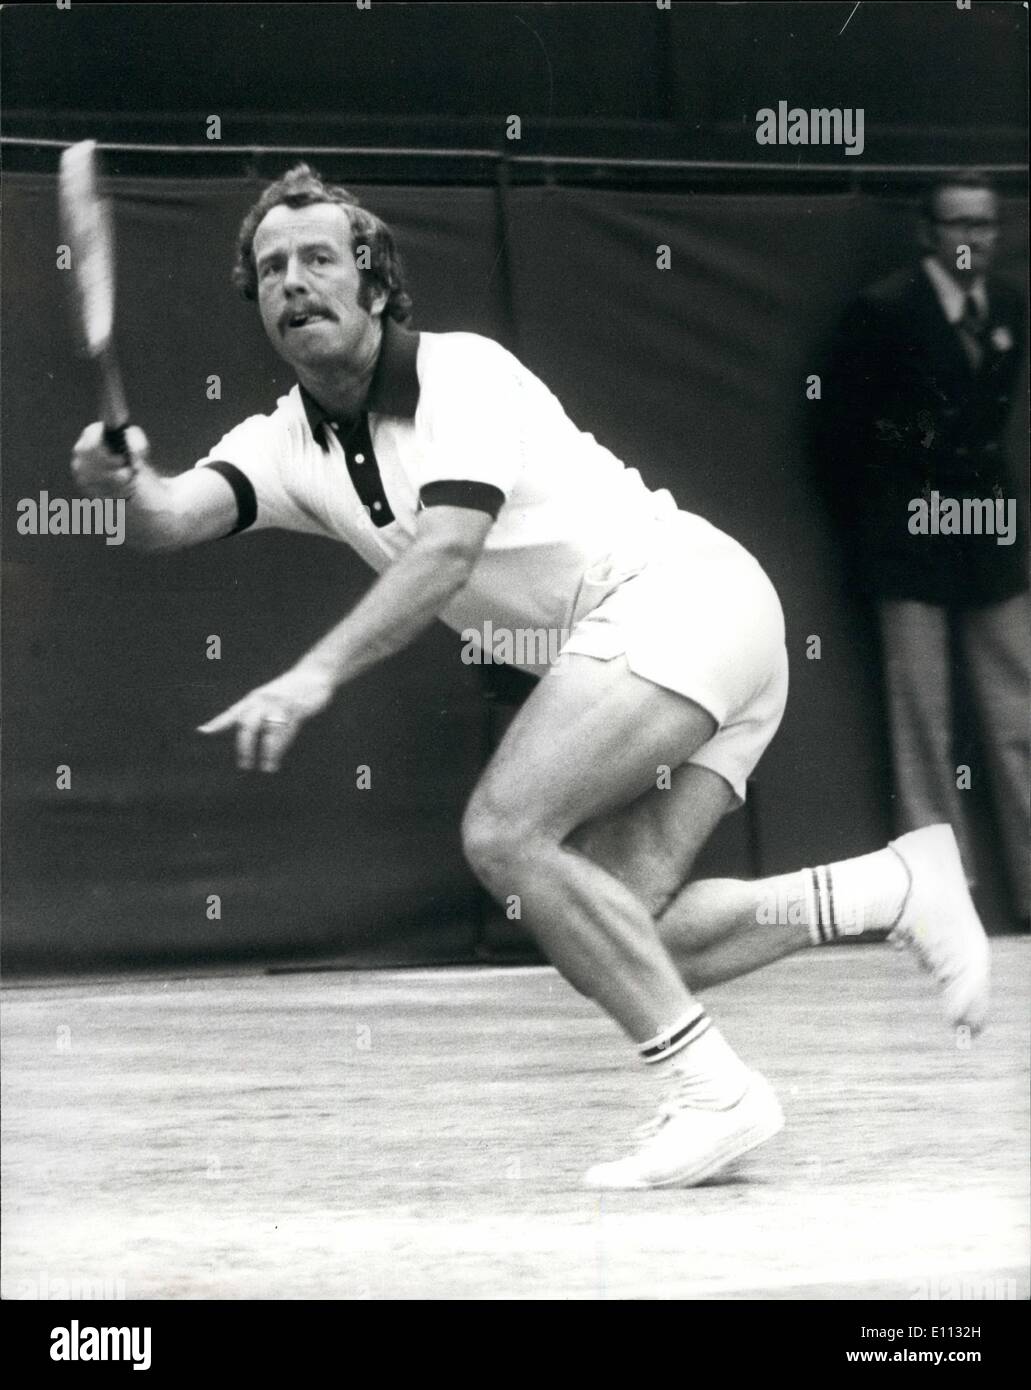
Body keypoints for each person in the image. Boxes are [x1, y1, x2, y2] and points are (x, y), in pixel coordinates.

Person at [72, 164, 990, 1190]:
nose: (293, 281)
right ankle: (889, 884)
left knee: (504, 831)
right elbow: (164, 519)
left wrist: (312, 674)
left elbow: (444, 554)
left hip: (681, 595)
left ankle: (715, 1093)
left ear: (374, 284)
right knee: (618, 928)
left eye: (320, 258)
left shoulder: (462, 375)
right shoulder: (282, 442)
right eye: (271, 267)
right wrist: (124, 482)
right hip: (697, 639)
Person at [818, 171, 1028, 929]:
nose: (972, 239)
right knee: (923, 729)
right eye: (956, 225)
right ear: (926, 234)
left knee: (1019, 716)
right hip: (907, 544)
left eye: (985, 224)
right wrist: (886, 524)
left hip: (988, 542)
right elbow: (840, 441)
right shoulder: (879, 313)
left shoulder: (1007, 306)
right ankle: (944, 905)